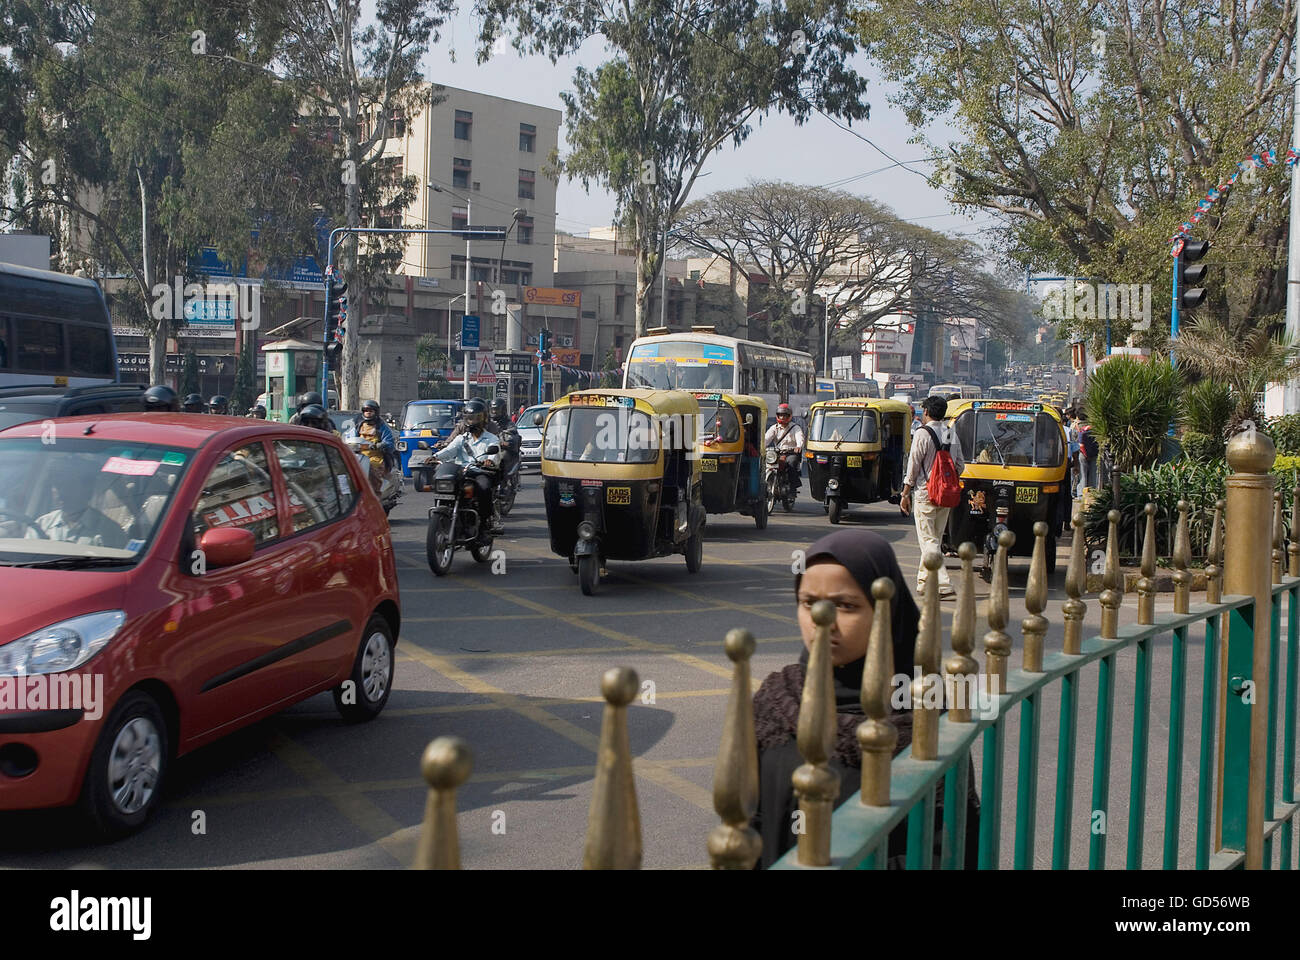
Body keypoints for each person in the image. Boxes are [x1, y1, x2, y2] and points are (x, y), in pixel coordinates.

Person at [749, 529, 980, 869]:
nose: (822, 620)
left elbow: (946, 847)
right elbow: (750, 823)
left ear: (887, 611)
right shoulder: (775, 701)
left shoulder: (924, 719)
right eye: (808, 602)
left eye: (846, 605)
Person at [899, 395, 965, 598]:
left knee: (928, 541)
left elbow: (913, 466)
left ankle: (943, 584)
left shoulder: (922, 433)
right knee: (933, 540)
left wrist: (905, 493)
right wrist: (945, 481)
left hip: (925, 494)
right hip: (945, 495)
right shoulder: (950, 433)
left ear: (926, 412)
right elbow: (960, 465)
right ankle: (923, 582)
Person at [432, 398, 504, 534]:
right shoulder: (462, 438)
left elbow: (494, 453)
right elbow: (449, 450)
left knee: (484, 488)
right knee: (443, 485)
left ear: (483, 419)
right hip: (461, 472)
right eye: (470, 418)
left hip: (481, 472)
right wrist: (435, 457)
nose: (472, 421)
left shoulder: (491, 438)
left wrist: (489, 461)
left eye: (476, 418)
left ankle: (484, 524)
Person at [28, 472, 127, 548]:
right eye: (57, 485)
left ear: (87, 491)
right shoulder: (42, 524)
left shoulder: (109, 530)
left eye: (68, 486)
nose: (60, 492)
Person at [351, 400, 396, 496]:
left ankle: (375, 497)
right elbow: (350, 438)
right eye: (366, 410)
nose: (368, 412)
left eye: (371, 410)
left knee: (372, 472)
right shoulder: (358, 425)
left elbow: (389, 443)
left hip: (376, 458)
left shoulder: (382, 426)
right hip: (359, 457)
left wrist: (380, 445)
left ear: (376, 412)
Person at [764, 403, 805, 492]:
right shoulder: (774, 428)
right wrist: (761, 447)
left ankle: (792, 488)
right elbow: (766, 439)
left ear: (789, 416)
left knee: (791, 463)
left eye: (785, 415)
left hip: (792, 453)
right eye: (780, 415)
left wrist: (798, 446)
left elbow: (800, 438)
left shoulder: (795, 427)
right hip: (777, 453)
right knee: (766, 464)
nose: (782, 417)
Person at [1077, 411, 1099, 491]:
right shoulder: (1096, 430)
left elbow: (1081, 445)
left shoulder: (1082, 430)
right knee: (1093, 474)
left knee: (1083, 475)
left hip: (1083, 454)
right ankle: (1092, 491)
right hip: (1094, 454)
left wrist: (1085, 454)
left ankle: (1081, 493)